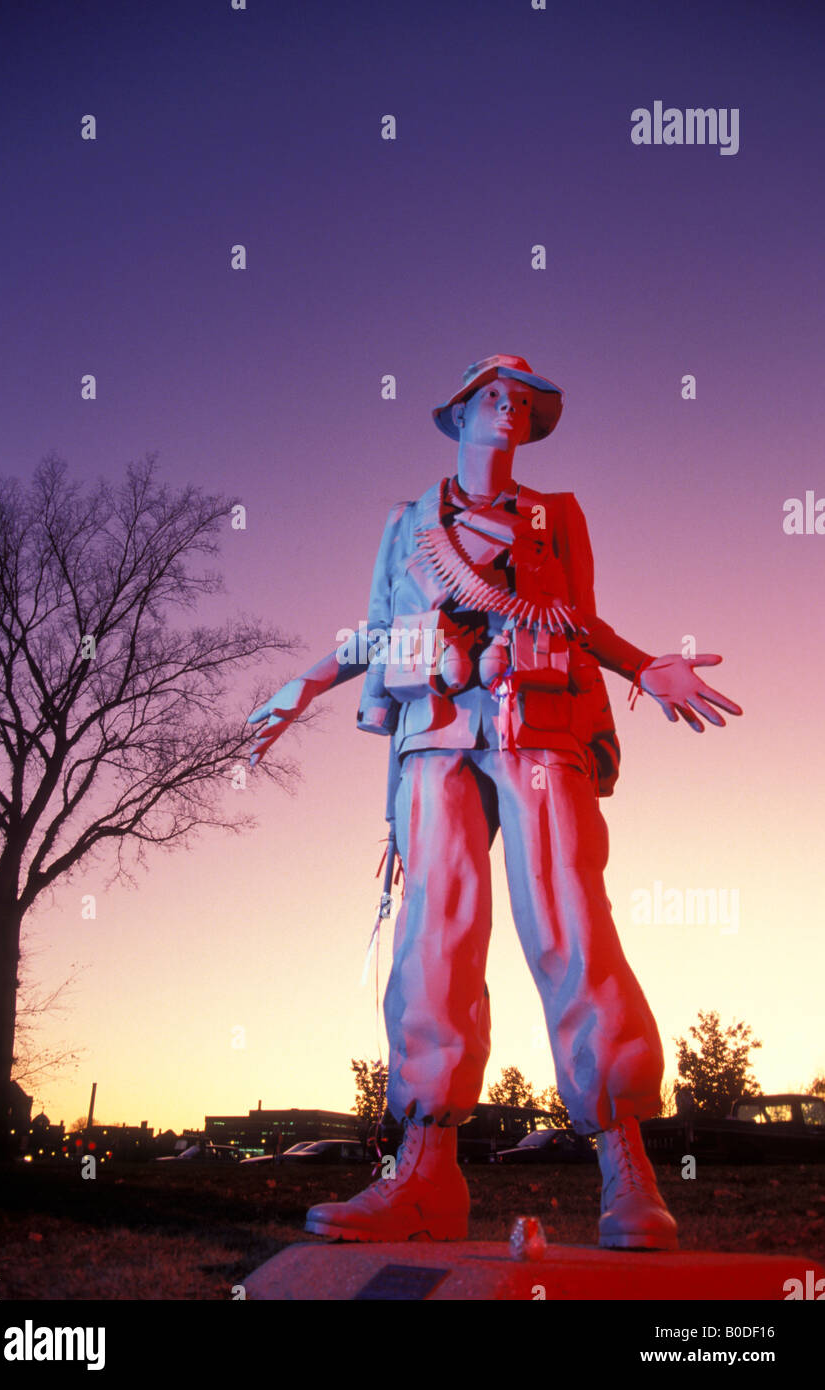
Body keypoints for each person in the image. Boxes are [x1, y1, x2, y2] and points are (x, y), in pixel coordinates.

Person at [248, 354, 741, 1249]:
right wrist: (304, 682)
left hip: (537, 726)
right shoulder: (405, 524)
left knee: (569, 921)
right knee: (432, 932)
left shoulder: (558, 515)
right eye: (491, 395)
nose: (508, 406)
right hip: (434, 728)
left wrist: (644, 666)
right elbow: (373, 626)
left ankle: (622, 1160)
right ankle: (427, 1170)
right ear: (459, 413)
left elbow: (575, 619)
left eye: (523, 398)